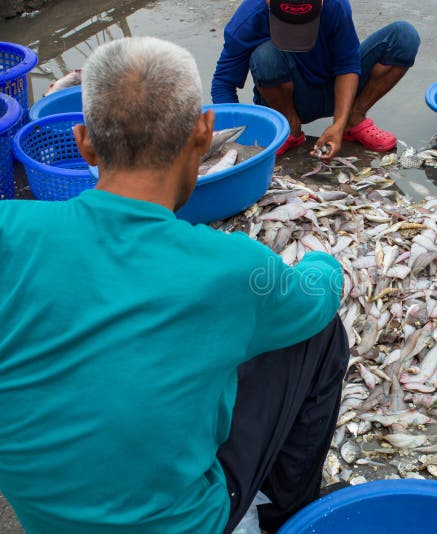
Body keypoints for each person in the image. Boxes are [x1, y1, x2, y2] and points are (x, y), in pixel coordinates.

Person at [0, 37, 348, 534]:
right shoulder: (230, 265)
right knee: (319, 332)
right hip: (190, 523)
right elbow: (320, 296)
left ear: (84, 144)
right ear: (204, 133)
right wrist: (320, 262)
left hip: (48, 520)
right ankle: (285, 515)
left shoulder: (9, 230)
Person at [211, 0, 420, 159]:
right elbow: (223, 82)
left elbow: (347, 64)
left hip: (338, 90)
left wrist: (338, 122)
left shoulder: (335, 5)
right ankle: (289, 128)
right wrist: (235, 140)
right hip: (288, 96)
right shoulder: (249, 17)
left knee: (403, 36)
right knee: (264, 56)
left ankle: (351, 120)